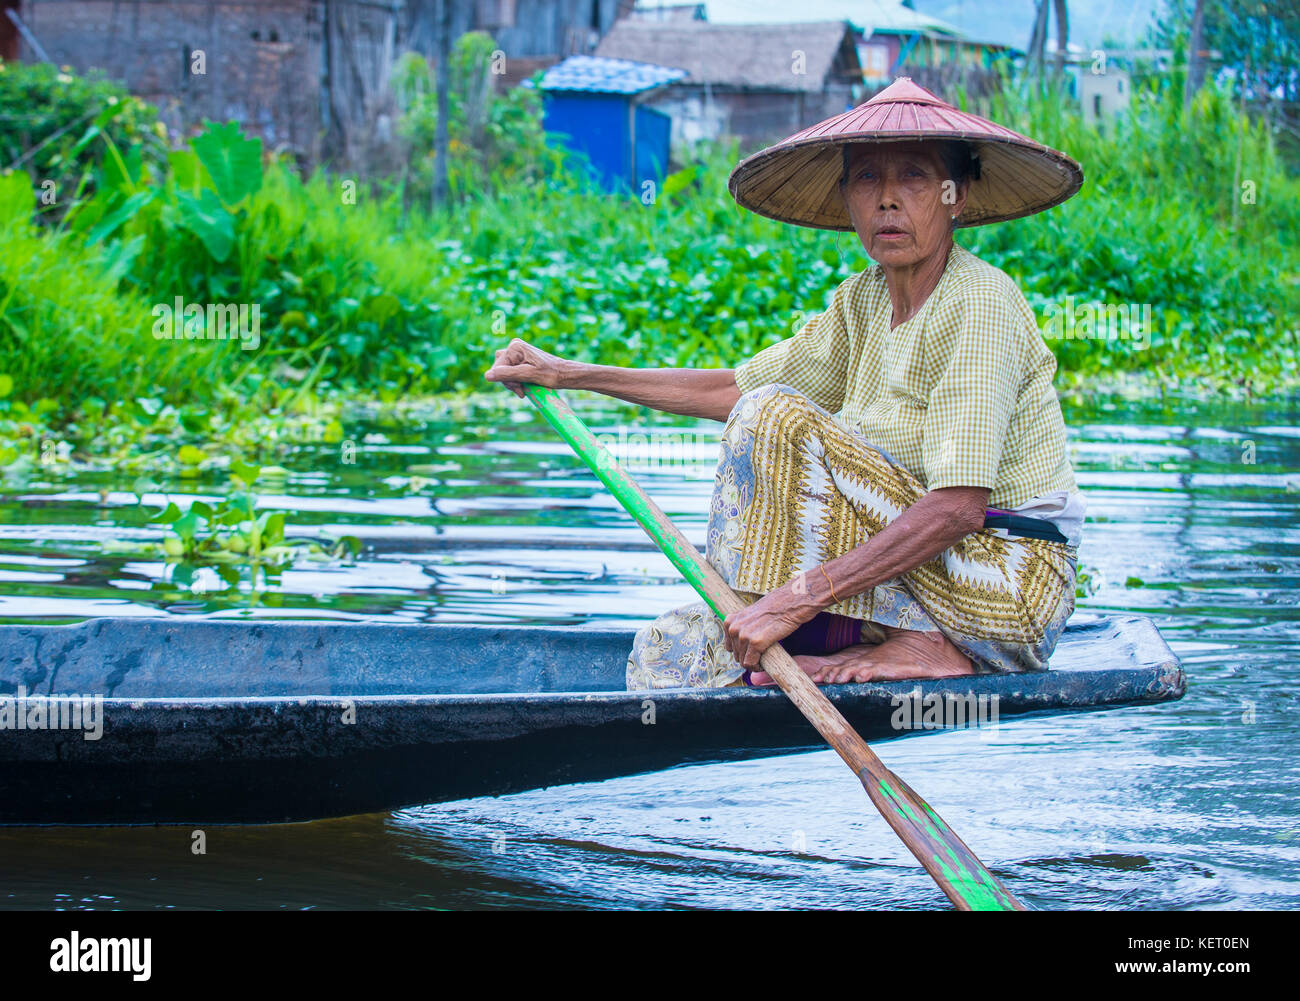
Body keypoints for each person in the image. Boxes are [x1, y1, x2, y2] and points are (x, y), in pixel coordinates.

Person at [485, 78, 1086, 691]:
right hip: (923, 582)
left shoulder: (980, 302)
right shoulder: (862, 302)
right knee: (672, 654)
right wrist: (570, 375)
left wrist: (795, 601)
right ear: (847, 200)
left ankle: (920, 644)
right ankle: (824, 628)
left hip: (1006, 585)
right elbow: (734, 394)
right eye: (866, 180)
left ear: (955, 196)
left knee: (776, 417)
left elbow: (958, 508)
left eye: (914, 177)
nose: (887, 201)